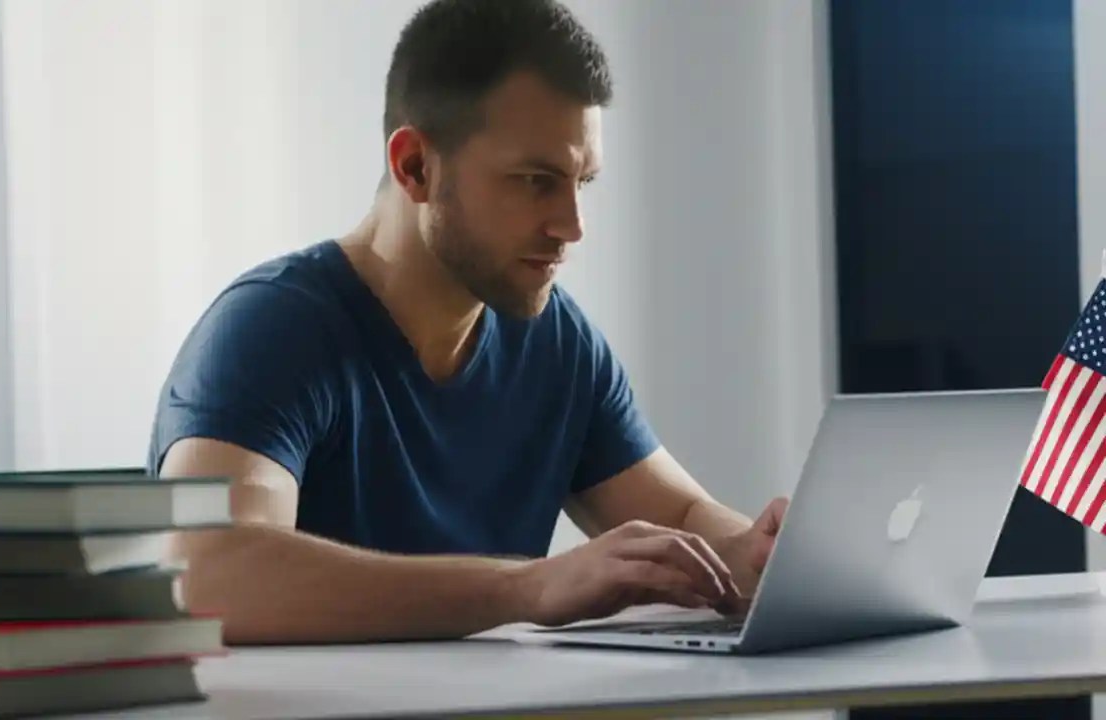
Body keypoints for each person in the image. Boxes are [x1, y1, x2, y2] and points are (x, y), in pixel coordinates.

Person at [148, 0, 788, 645]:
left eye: (581, 183)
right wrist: (528, 587)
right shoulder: (270, 329)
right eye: (536, 180)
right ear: (415, 167)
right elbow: (208, 573)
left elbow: (677, 514)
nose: (572, 226)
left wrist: (753, 555)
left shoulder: (556, 341)